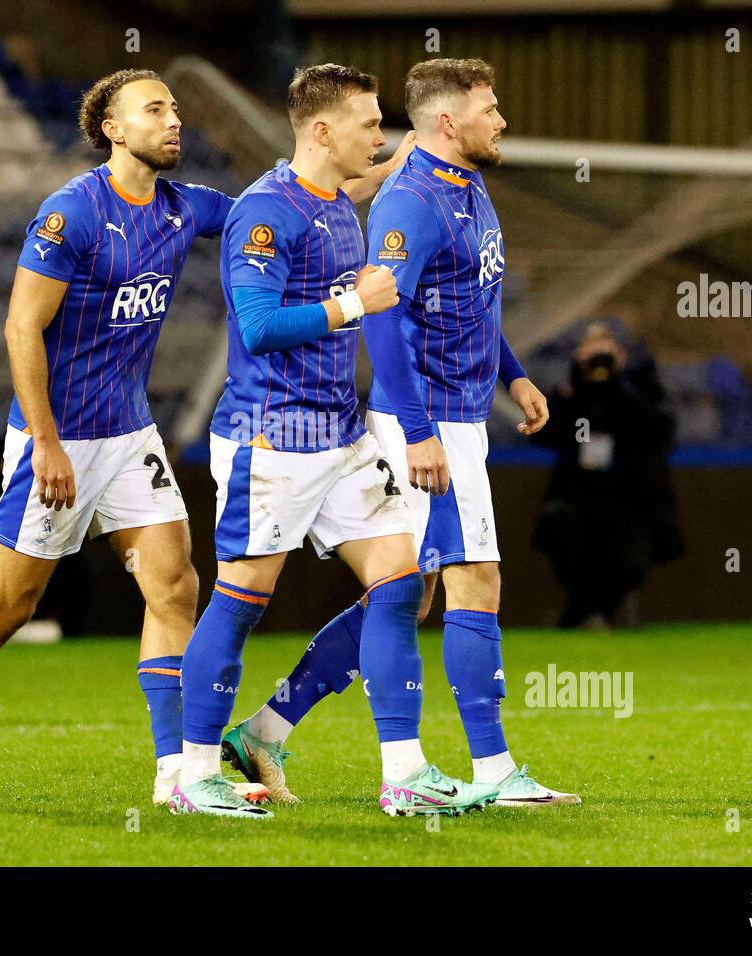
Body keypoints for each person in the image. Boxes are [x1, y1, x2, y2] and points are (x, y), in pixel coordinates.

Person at [0, 67, 412, 807]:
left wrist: (397, 162)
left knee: (174, 585)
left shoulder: (184, 207)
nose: (174, 119)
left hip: (130, 434)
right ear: (112, 129)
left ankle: (177, 773)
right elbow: (21, 326)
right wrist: (48, 444)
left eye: (175, 107)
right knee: (6, 607)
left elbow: (296, 202)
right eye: (154, 109)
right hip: (60, 437)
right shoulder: (72, 214)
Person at [222, 58, 580, 808]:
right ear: (449, 122)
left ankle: (267, 727)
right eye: (489, 108)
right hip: (424, 419)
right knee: (472, 577)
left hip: (460, 412)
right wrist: (418, 432)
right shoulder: (411, 202)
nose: (501, 120)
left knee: (406, 590)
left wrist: (512, 373)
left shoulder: (467, 186)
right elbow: (381, 314)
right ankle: (490, 771)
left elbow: (472, 301)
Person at [170, 63, 500, 819]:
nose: (379, 136)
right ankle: (193, 773)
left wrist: (415, 149)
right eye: (368, 124)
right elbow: (256, 328)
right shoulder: (265, 214)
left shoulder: (333, 198)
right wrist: (354, 301)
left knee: (401, 582)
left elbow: (359, 181)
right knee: (241, 602)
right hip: (272, 438)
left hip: (340, 436)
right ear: (322, 131)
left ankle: (403, 772)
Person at [531, 321, 684, 628]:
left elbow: (659, 431)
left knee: (628, 558)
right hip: (578, 497)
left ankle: (591, 613)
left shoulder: (641, 387)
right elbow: (544, 434)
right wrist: (577, 386)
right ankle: (588, 613)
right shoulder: (573, 392)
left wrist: (619, 382)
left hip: (630, 497)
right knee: (568, 544)